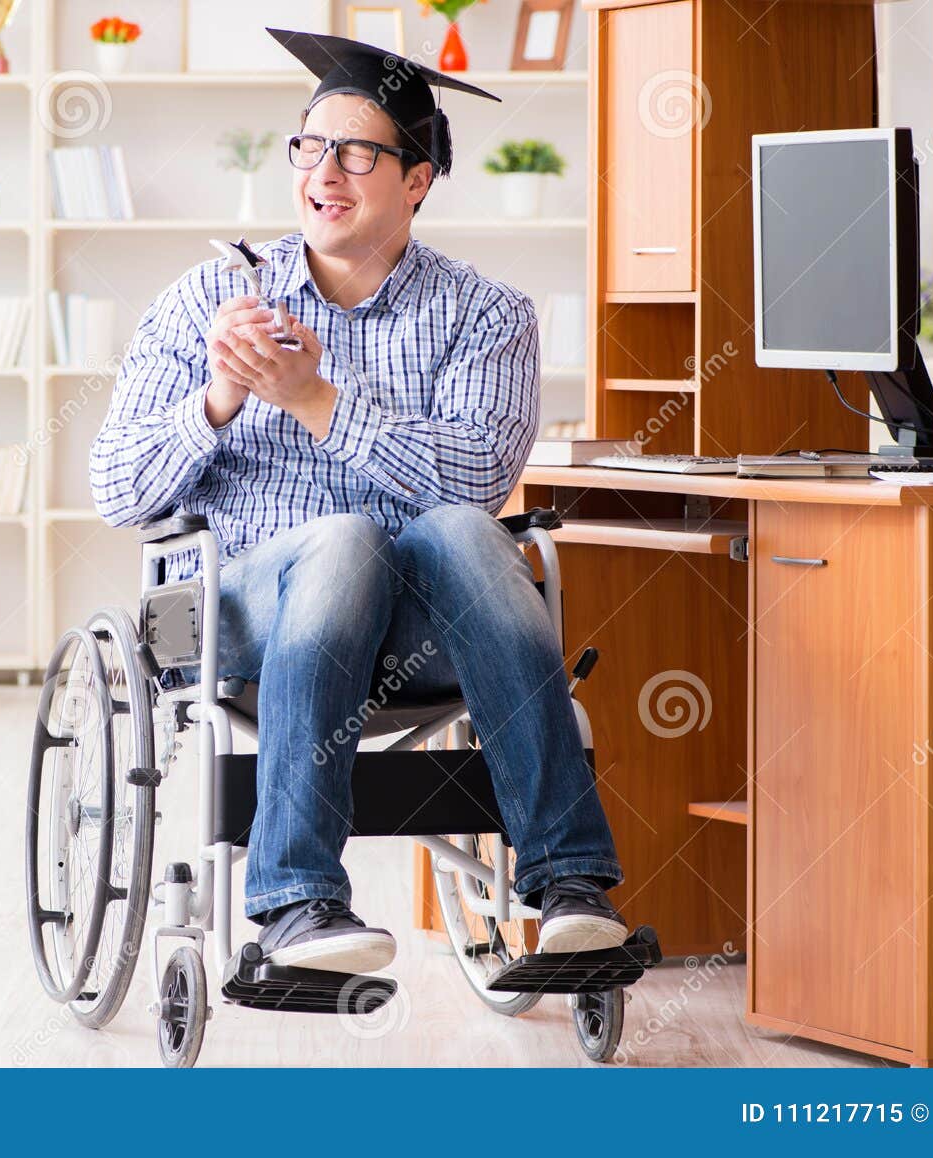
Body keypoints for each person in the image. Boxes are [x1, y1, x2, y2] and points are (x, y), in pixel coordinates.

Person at [90, 28, 627, 975]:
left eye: (359, 152)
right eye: (310, 147)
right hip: (247, 614)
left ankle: (570, 886)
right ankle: (296, 900)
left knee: (465, 530)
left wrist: (317, 402)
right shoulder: (205, 301)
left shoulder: (486, 317)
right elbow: (116, 491)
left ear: (417, 179)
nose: (324, 173)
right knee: (338, 540)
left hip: (421, 628)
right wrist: (217, 401)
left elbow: (474, 483)